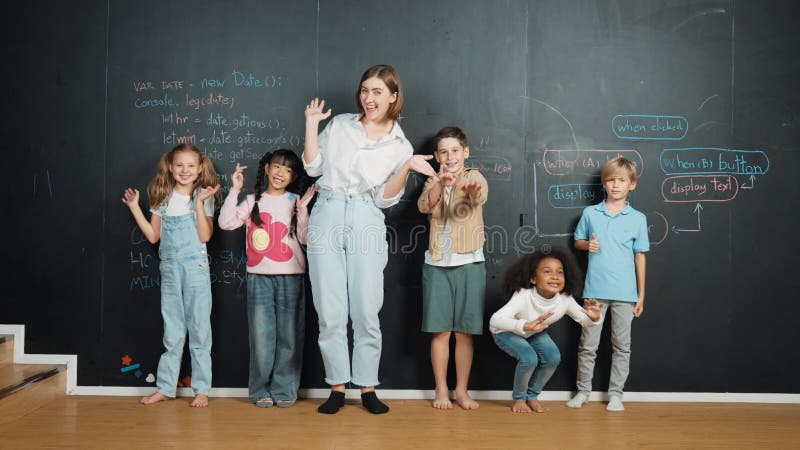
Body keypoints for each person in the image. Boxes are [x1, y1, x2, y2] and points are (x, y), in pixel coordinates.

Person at [303, 64, 436, 414]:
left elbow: (384, 200)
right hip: (327, 209)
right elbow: (313, 168)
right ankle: (336, 386)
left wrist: (406, 166)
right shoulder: (341, 125)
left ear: (393, 96)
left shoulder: (399, 145)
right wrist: (312, 125)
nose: (368, 98)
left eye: (377, 91)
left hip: (366, 215)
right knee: (329, 311)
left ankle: (366, 387)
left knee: (365, 308)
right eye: (365, 90)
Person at [121, 143, 221, 408]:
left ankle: (201, 390)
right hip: (170, 269)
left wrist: (199, 204)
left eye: (190, 166)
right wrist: (134, 207)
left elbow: (205, 236)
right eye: (179, 165)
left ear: (200, 169)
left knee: (200, 329)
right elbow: (154, 236)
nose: (185, 170)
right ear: (170, 167)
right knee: (173, 331)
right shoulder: (161, 197)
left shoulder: (204, 195)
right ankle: (166, 387)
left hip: (196, 269)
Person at [218, 150, 316, 408]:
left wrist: (303, 211)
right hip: (258, 278)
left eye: (287, 170)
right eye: (276, 167)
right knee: (261, 337)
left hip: (291, 277)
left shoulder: (297, 201)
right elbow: (226, 222)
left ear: (293, 176)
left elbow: (305, 239)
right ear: (267, 169)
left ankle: (284, 389)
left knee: (290, 337)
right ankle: (260, 389)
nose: (279, 173)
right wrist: (234, 190)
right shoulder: (253, 201)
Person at [566, 156, 649, 412]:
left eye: (621, 180)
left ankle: (616, 394)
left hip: (625, 293)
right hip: (595, 290)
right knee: (587, 345)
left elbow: (640, 256)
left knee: (622, 346)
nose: (615, 185)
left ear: (631, 184)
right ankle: (583, 392)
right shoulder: (591, 213)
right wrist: (586, 245)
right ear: (604, 183)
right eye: (611, 180)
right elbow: (577, 240)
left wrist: (641, 295)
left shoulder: (637, 218)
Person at [417, 126, 488, 410]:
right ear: (436, 156)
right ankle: (441, 390)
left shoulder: (473, 177)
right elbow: (425, 205)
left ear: (465, 153)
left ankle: (462, 390)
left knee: (465, 332)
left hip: (470, 262)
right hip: (437, 264)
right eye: (444, 152)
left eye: (455, 151)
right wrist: (439, 183)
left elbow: (479, 195)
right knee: (441, 332)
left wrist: (467, 190)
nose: (450, 157)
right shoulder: (432, 180)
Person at [490, 247, 602, 413]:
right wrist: (523, 325)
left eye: (560, 272)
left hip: (534, 331)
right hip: (505, 331)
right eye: (547, 272)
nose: (555, 277)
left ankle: (532, 396)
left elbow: (584, 321)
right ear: (534, 278)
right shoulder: (523, 295)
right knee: (529, 358)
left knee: (553, 357)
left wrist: (594, 317)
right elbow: (495, 320)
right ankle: (519, 399)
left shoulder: (565, 299)